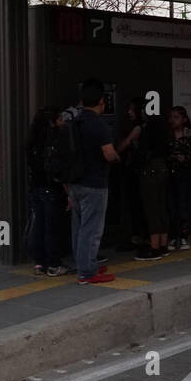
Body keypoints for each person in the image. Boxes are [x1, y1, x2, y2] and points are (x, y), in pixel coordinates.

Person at [69, 78, 120, 285]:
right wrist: (118, 158)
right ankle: (87, 272)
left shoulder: (75, 121)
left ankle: (82, 264)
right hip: (95, 183)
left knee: (79, 227)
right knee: (92, 229)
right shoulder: (99, 125)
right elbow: (109, 154)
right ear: (102, 101)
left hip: (75, 181)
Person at [26, 108, 67, 277]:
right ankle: (54, 264)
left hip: (35, 186)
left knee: (39, 225)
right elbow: (57, 170)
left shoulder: (32, 141)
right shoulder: (54, 142)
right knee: (52, 227)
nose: (62, 123)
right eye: (60, 119)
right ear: (52, 122)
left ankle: (39, 263)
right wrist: (67, 190)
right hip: (52, 188)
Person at [135, 112, 171, 261]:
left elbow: (140, 154)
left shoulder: (147, 134)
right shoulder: (165, 136)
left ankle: (154, 248)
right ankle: (163, 245)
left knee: (152, 209)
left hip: (149, 170)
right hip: (163, 168)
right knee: (162, 207)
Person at [115, 98, 148, 252]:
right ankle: (138, 236)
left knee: (134, 204)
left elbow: (124, 145)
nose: (128, 112)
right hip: (136, 171)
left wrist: (113, 152)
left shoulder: (138, 129)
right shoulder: (140, 127)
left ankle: (137, 237)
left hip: (134, 171)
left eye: (131, 109)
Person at [166, 105, 191, 250]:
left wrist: (185, 158)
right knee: (171, 207)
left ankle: (183, 236)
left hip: (184, 175)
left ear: (184, 119)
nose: (173, 120)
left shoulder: (190, 135)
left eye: (176, 117)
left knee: (183, 206)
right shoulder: (167, 135)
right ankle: (172, 236)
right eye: (171, 117)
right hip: (169, 174)